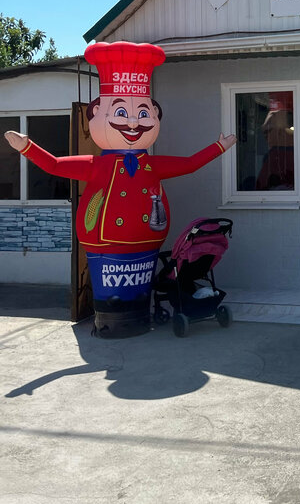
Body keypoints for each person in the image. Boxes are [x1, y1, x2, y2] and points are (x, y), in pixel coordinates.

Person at [4, 40, 235, 336]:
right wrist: (27, 147)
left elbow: (190, 163)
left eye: (143, 113)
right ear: (96, 111)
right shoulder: (96, 164)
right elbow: (56, 166)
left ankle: (139, 318)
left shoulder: (154, 164)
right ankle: (111, 322)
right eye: (121, 113)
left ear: (155, 113)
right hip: (104, 244)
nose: (133, 124)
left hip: (147, 243)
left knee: (138, 290)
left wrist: (220, 146)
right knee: (113, 298)